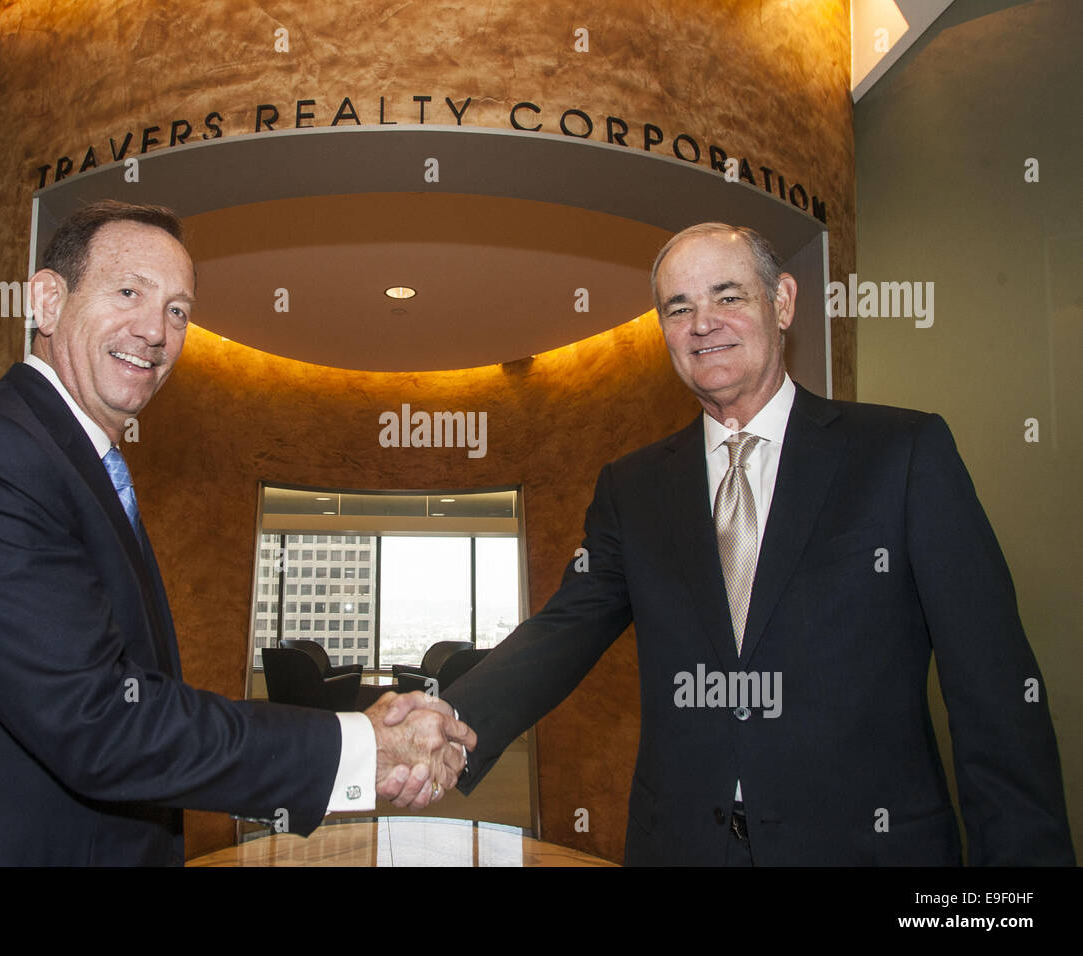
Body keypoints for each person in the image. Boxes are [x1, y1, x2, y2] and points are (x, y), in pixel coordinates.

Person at [0, 200, 473, 866]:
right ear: (46, 301)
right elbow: (99, 722)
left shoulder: (78, 464)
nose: (155, 331)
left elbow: (130, 697)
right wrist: (362, 745)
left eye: (178, 311)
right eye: (129, 292)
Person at [443, 222, 1073, 866]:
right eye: (678, 307)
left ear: (782, 302)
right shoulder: (633, 487)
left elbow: (994, 686)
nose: (702, 323)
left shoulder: (903, 454)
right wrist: (444, 722)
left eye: (728, 296)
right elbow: (563, 630)